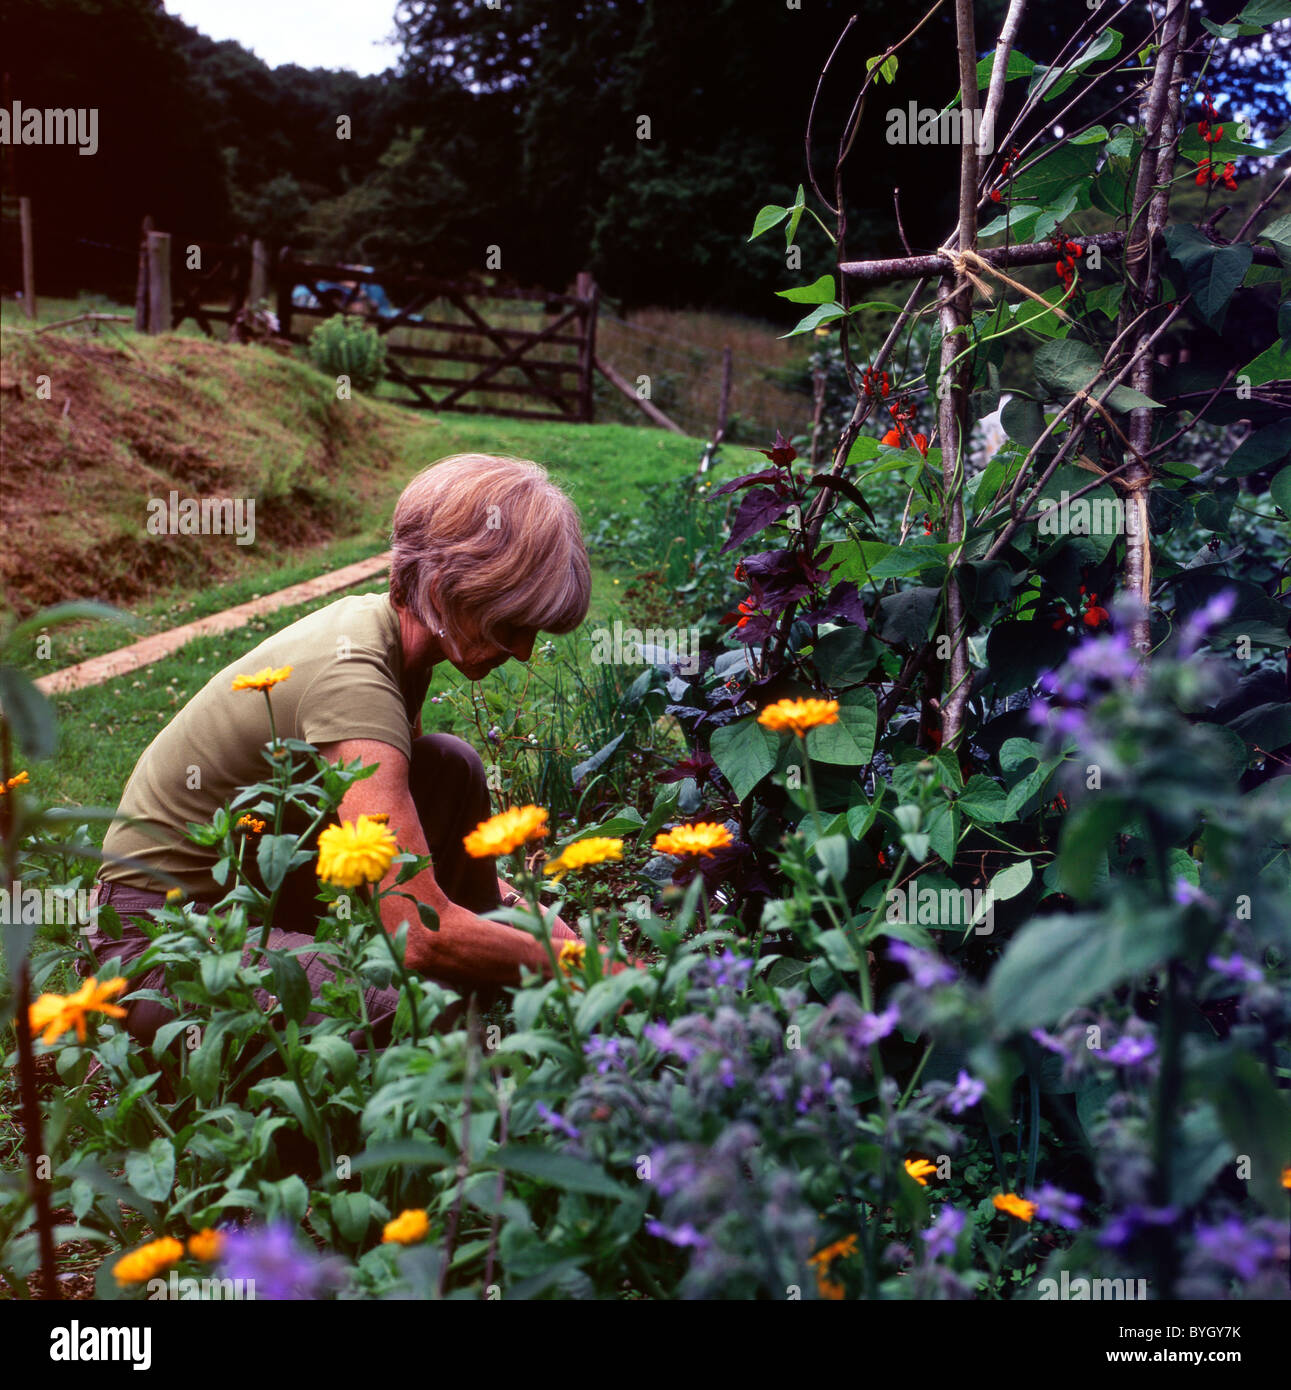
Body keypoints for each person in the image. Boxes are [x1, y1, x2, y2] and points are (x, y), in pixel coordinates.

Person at [84, 454, 590, 1049]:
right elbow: (418, 934)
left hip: (253, 898)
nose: (526, 651)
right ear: (449, 583)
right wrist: (588, 970)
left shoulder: (393, 640)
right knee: (419, 1014)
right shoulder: (353, 680)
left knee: (450, 763)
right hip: (160, 948)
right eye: (514, 623)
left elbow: (430, 876)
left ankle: (460, 985)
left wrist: (574, 944)